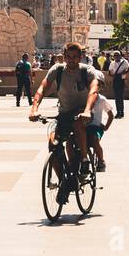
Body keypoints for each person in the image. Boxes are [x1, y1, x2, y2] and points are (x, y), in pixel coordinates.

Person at [29, 42, 101, 177]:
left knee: (78, 122)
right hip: (64, 114)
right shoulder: (58, 70)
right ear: (64, 57)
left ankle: (84, 159)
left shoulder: (87, 71)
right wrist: (34, 109)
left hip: (83, 113)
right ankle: (63, 180)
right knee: (53, 144)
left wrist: (87, 111)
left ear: (80, 58)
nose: (71, 59)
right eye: (68, 56)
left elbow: (94, 91)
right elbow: (42, 88)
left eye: (74, 57)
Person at [86, 89, 115, 172]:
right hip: (84, 126)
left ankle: (101, 160)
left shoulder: (101, 99)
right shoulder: (83, 98)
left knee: (95, 140)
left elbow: (111, 115)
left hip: (96, 127)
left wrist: (106, 127)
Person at [110, 50, 129, 118]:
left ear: (120, 56)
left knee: (120, 97)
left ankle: (121, 112)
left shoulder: (124, 62)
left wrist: (124, 72)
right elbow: (110, 72)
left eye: (118, 55)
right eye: (115, 55)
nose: (116, 57)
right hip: (115, 80)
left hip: (121, 80)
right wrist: (112, 74)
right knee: (117, 97)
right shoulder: (112, 63)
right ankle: (118, 112)